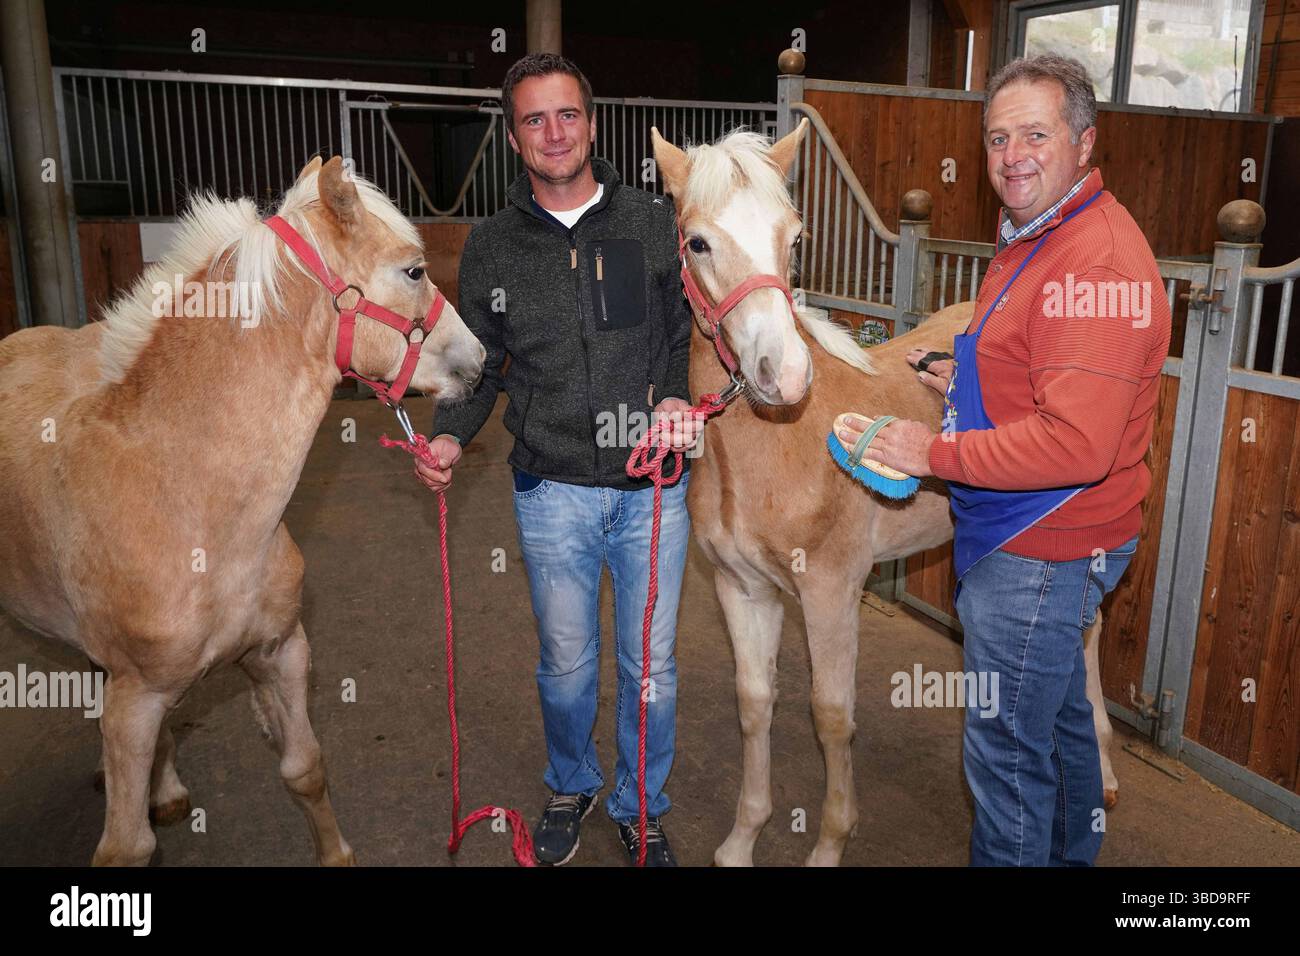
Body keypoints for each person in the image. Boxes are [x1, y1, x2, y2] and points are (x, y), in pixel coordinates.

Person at [834, 54, 1170, 866]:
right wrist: (970, 375)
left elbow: (1077, 443)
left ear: (1084, 143)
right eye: (996, 138)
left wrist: (930, 450)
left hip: (1041, 545)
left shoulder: (1094, 264)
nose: (1012, 156)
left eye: (1035, 135)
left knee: (1007, 759)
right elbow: (1045, 368)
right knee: (1058, 725)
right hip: (1035, 535)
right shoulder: (1037, 231)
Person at [414, 52, 702, 867]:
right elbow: (478, 362)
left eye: (566, 114)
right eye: (534, 119)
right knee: (568, 665)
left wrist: (673, 396)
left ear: (592, 124)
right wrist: (449, 434)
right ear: (514, 138)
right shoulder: (493, 246)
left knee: (652, 668)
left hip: (652, 488)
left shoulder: (651, 221)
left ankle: (641, 806)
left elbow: (679, 334)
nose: (553, 132)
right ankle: (572, 784)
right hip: (551, 490)